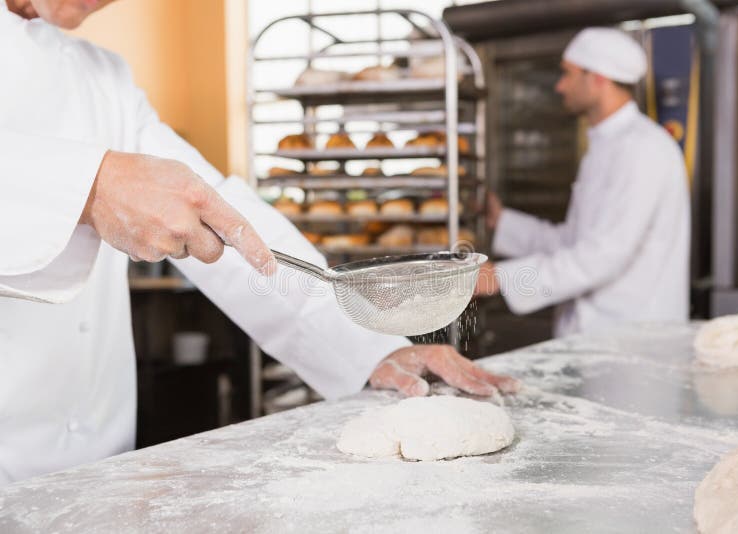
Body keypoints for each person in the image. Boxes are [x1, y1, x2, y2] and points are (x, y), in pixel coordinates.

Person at [0, 0, 519, 486]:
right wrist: (85, 185)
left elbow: (221, 216)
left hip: (98, 459)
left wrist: (367, 346)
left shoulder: (103, 76)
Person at [475, 27, 690, 337]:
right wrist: (503, 222)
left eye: (568, 74)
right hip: (599, 337)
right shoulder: (607, 146)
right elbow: (577, 242)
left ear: (597, 78)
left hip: (632, 344)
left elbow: (600, 257)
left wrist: (499, 279)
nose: (560, 86)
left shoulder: (643, 149)